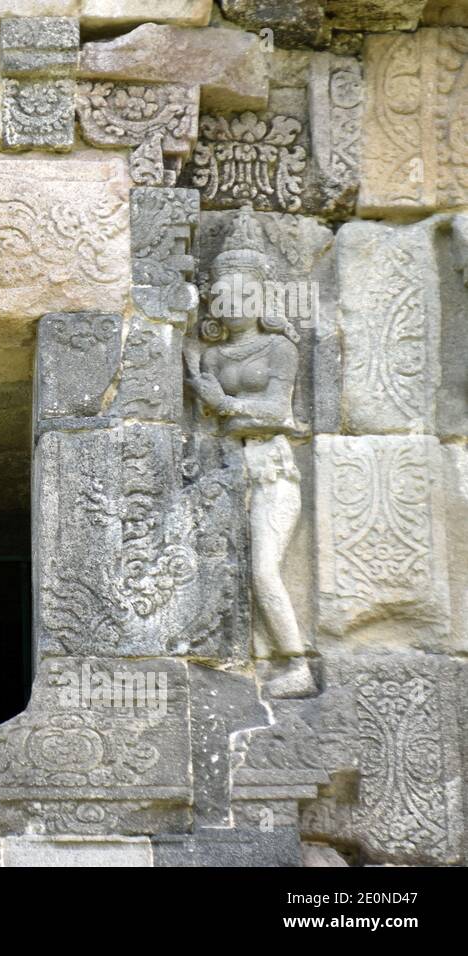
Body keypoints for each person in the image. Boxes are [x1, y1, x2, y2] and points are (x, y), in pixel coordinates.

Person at [186, 206, 315, 699]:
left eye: (244, 294)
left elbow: (277, 412)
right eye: (224, 295)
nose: (232, 303)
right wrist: (207, 385)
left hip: (270, 468)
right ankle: (228, 665)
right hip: (226, 468)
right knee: (221, 567)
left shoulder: (279, 349)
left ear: (261, 297)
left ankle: (296, 663)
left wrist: (223, 402)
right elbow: (212, 426)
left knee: (263, 568)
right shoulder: (214, 355)